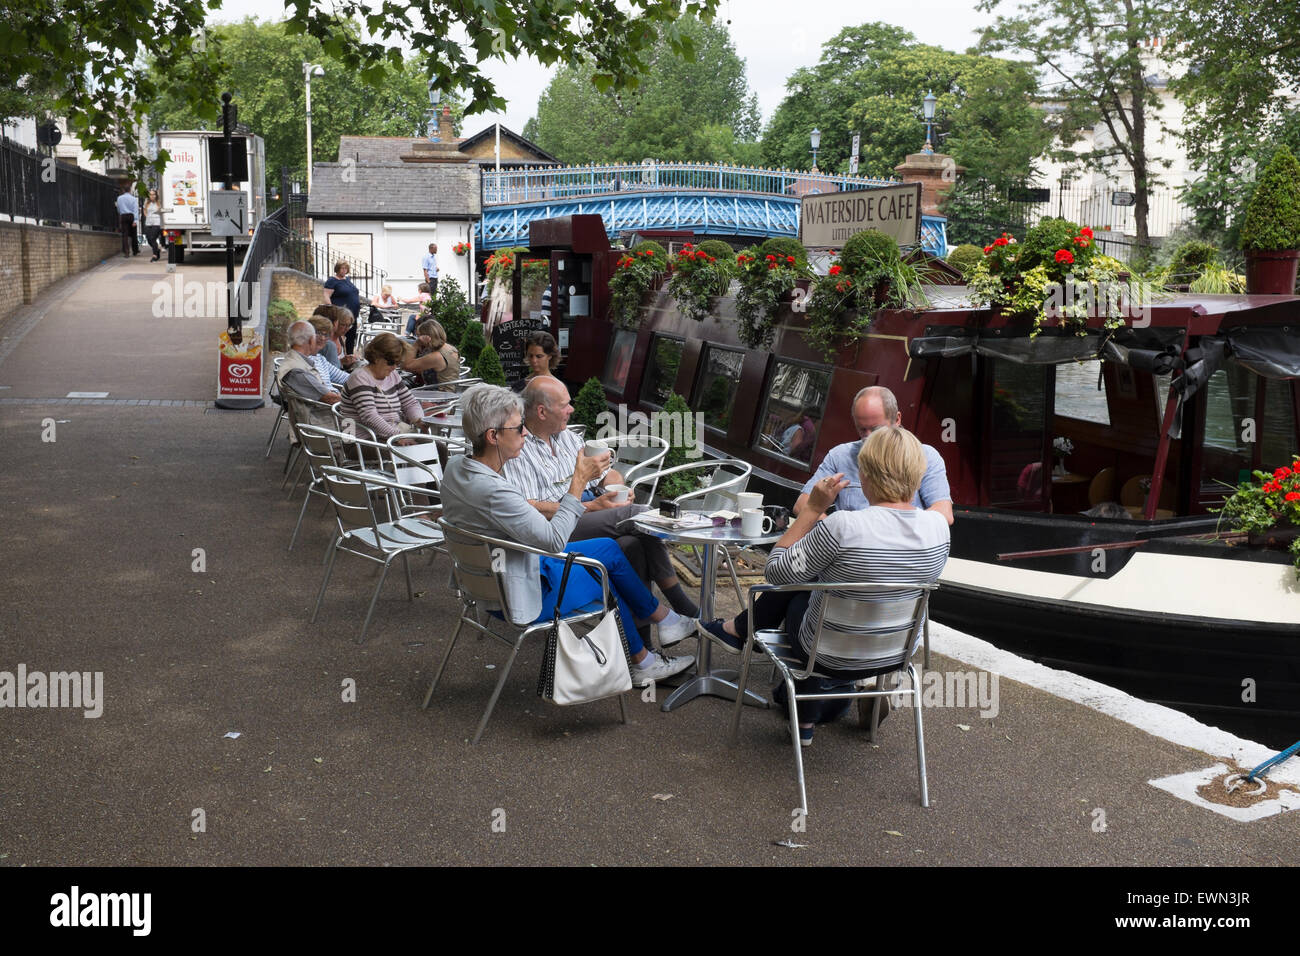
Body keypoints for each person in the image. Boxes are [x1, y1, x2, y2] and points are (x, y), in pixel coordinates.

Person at [702, 426, 951, 744]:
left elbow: (777, 574)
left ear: (865, 475)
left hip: (826, 655)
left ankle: (795, 703)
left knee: (802, 587)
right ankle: (822, 702)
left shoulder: (842, 525)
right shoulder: (939, 528)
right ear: (918, 477)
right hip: (895, 655)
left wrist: (812, 510)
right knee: (825, 584)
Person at [440, 385, 697, 685]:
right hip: (519, 595)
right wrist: (578, 482)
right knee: (603, 573)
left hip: (487, 584)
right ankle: (645, 659)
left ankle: (665, 621)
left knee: (612, 549)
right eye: (518, 427)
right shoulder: (496, 491)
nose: (524, 433)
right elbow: (553, 541)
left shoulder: (458, 466)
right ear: (493, 436)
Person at [503, 377, 701, 624]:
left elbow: (608, 474)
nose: (571, 409)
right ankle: (683, 608)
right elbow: (526, 508)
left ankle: (646, 647)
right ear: (542, 411)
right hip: (554, 528)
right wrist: (591, 506)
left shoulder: (568, 438)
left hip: (588, 513)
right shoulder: (517, 447)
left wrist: (618, 487)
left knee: (632, 544)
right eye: (565, 405)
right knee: (639, 514)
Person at [795, 386, 954, 525]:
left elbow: (943, 513)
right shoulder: (840, 456)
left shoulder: (926, 456)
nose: (868, 437)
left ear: (897, 419)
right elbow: (803, 504)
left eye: (876, 429)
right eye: (862, 429)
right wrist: (836, 533)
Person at [336, 332, 424, 442]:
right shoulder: (359, 378)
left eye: (398, 363)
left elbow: (409, 402)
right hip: (361, 440)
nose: (394, 367)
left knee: (437, 447)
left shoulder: (393, 375)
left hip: (389, 436)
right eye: (391, 362)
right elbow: (370, 417)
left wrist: (419, 420)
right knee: (420, 451)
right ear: (377, 357)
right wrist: (396, 437)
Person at [276, 320, 341, 405]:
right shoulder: (296, 371)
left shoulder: (296, 361)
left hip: (320, 412)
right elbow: (331, 399)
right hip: (322, 415)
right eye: (315, 337)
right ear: (310, 340)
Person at [406, 319, 461, 389]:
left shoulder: (436, 356)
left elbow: (406, 366)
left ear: (427, 337)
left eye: (419, 336)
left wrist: (416, 345)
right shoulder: (451, 348)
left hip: (437, 396)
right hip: (451, 393)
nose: (418, 339)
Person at [306, 316, 350, 389]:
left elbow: (343, 377)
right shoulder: (304, 360)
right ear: (308, 334)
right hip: (325, 399)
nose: (322, 338)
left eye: (326, 335)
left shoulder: (320, 359)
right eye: (318, 333)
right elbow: (320, 393)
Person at [314, 305, 357, 371]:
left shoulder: (342, 339)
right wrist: (341, 362)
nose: (347, 329)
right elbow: (331, 370)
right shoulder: (326, 342)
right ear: (335, 323)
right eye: (343, 325)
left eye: (349, 325)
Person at [116, 184, 140, 258]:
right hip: (131, 216)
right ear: (130, 190)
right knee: (133, 234)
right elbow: (135, 210)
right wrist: (135, 220)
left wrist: (121, 214)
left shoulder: (119, 198)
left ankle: (126, 252)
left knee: (125, 235)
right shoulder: (133, 199)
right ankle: (135, 250)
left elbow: (118, 209)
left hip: (123, 216)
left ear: (123, 190)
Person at [142, 189, 164, 261]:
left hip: (157, 222)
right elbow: (144, 210)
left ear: (156, 195)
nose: (152, 196)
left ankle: (154, 255)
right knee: (149, 240)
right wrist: (147, 216)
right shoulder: (146, 202)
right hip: (148, 222)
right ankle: (157, 250)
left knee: (153, 238)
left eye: (153, 194)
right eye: (150, 194)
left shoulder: (159, 202)